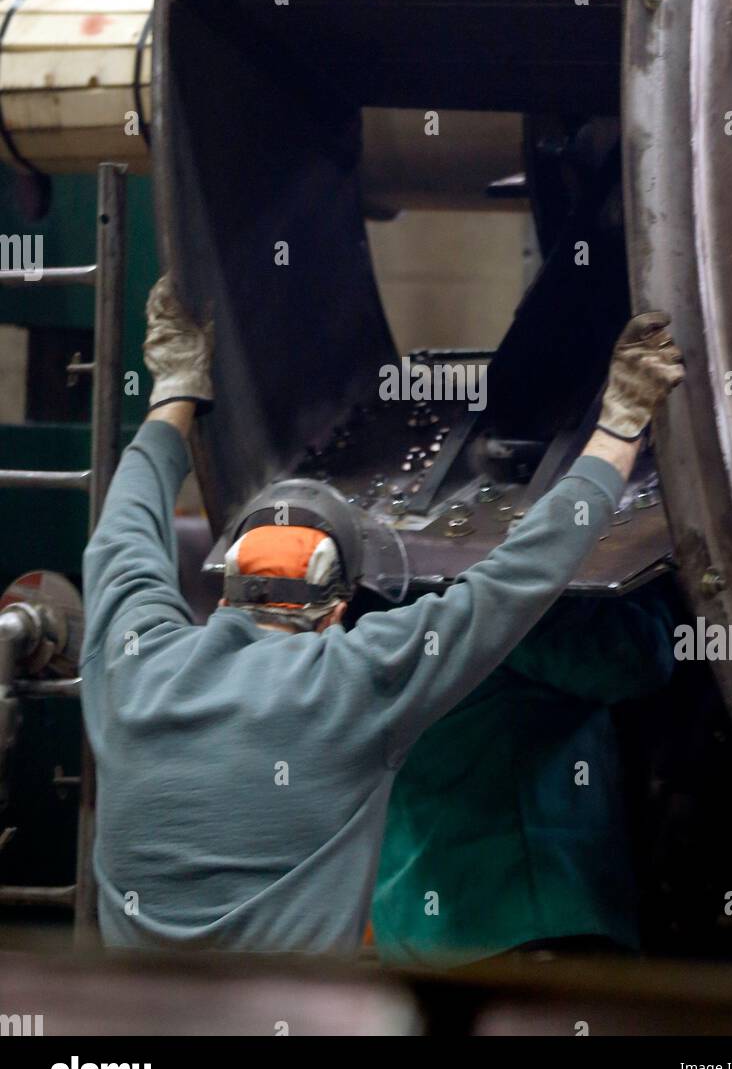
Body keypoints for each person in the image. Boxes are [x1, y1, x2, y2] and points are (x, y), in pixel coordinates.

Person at [80, 275, 683, 953]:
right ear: (338, 609)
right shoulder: (353, 680)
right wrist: (620, 426)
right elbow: (519, 580)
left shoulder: (134, 667)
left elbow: (122, 527)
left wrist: (174, 390)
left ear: (226, 591)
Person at [372, 586, 675, 968]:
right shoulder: (498, 598)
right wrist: (662, 589)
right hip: (530, 917)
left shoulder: (369, 608)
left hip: (419, 933)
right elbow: (636, 659)